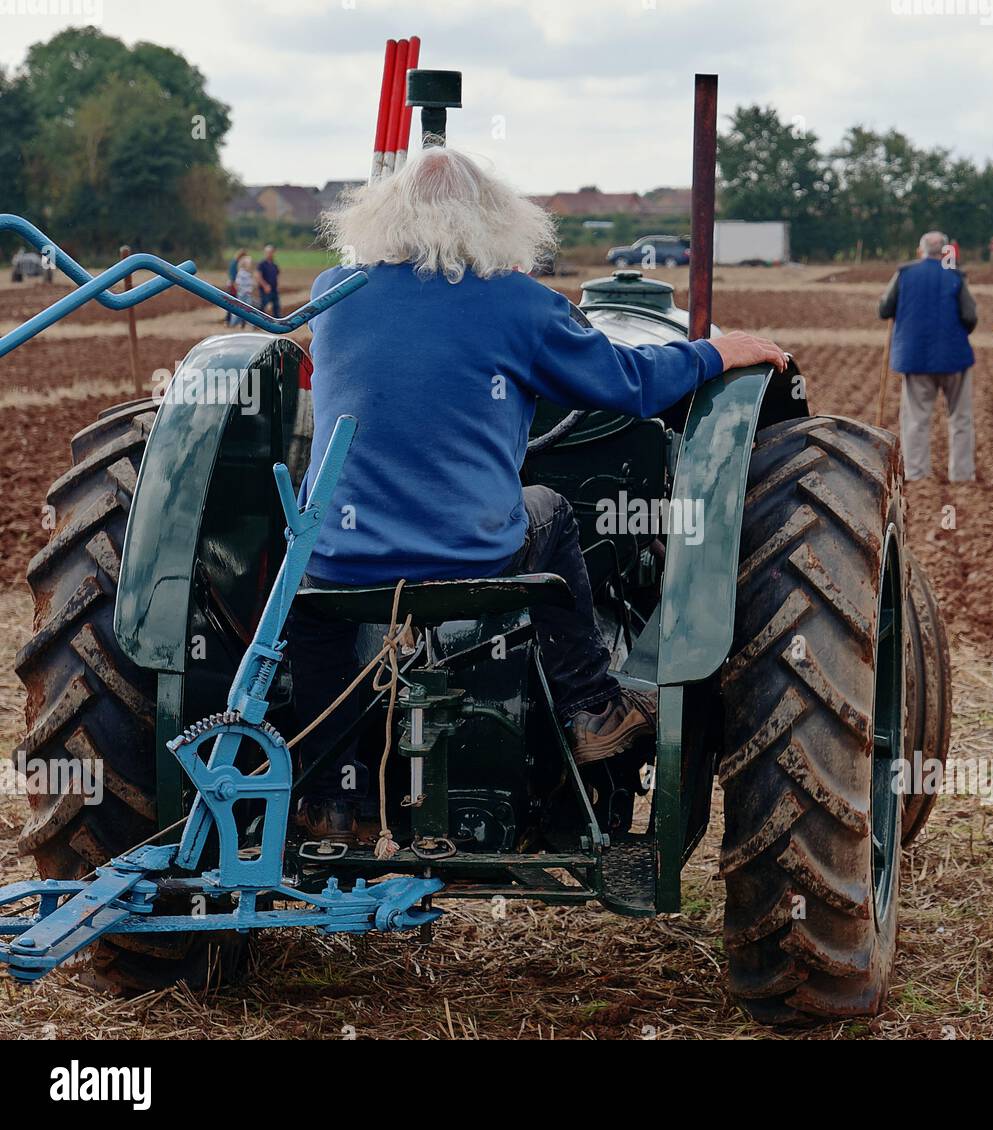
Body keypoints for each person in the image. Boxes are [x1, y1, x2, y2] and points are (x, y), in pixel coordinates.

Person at [286, 145, 787, 842]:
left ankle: (335, 803)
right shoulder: (517, 303)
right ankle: (590, 708)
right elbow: (629, 386)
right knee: (547, 507)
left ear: (381, 216)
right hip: (470, 553)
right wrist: (712, 353)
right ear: (496, 221)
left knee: (313, 614)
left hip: (342, 558)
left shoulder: (333, 295)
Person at [878, 231, 978, 482]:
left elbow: (884, 309)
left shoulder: (904, 274)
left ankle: (917, 473)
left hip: (916, 357)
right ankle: (962, 475)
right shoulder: (956, 276)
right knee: (961, 418)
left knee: (916, 419)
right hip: (955, 358)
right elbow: (970, 317)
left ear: (920, 251)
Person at [232, 254, 256, 328]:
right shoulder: (241, 272)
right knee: (240, 309)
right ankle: (235, 324)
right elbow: (237, 284)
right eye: (248, 263)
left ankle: (249, 325)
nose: (250, 265)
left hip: (248, 294)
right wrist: (243, 291)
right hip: (243, 294)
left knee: (249, 309)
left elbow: (251, 283)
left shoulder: (250, 273)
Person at [225, 247, 247, 325]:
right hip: (233, 286)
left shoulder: (235, 262)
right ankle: (229, 321)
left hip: (234, 286)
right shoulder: (235, 264)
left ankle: (230, 321)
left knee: (232, 304)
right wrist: (237, 287)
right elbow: (233, 276)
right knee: (232, 304)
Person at [257, 244, 280, 318]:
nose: (270, 254)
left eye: (271, 252)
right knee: (263, 305)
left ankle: (277, 322)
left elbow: (276, 276)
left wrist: (277, 286)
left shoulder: (274, 264)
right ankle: (258, 321)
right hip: (265, 289)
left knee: (276, 306)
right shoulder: (261, 264)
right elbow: (258, 276)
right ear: (265, 253)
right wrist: (265, 286)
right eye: (268, 252)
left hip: (273, 289)